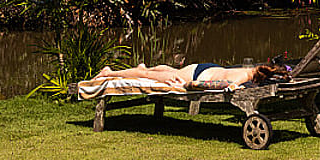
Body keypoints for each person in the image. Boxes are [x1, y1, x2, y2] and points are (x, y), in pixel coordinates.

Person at [89, 61, 281, 87]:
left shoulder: (246, 70)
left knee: (159, 71)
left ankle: (154, 67)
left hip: (201, 68)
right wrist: (185, 86)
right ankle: (110, 72)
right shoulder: (241, 78)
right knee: (144, 75)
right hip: (193, 76)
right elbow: (225, 87)